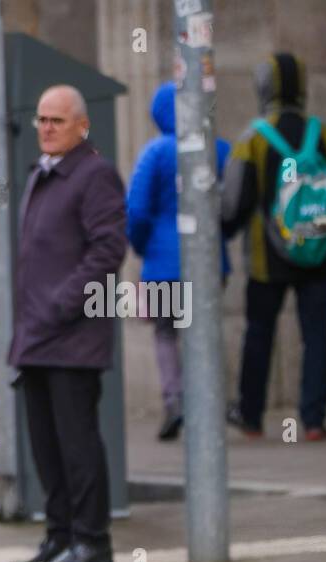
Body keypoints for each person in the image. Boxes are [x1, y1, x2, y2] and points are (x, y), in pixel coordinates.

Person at [8, 85, 127, 562]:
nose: (47, 128)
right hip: (36, 336)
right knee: (47, 447)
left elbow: (108, 251)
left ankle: (92, 540)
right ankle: (58, 536)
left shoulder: (95, 175)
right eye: (41, 119)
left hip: (73, 336)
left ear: (82, 125)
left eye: (57, 120)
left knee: (78, 445)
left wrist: (61, 304)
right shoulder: (43, 172)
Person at [223, 52, 326, 441]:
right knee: (317, 336)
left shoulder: (254, 139)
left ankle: (252, 417)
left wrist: (223, 232)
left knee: (259, 333)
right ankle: (313, 421)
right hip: (319, 253)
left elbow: (234, 203)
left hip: (267, 257)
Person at [126, 81, 230, 441]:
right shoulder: (219, 149)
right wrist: (220, 240)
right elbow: (234, 204)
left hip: (163, 264)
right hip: (209, 260)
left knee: (166, 333)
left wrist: (143, 246)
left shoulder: (155, 153)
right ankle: (209, 403)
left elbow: (137, 210)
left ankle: (175, 401)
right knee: (204, 332)